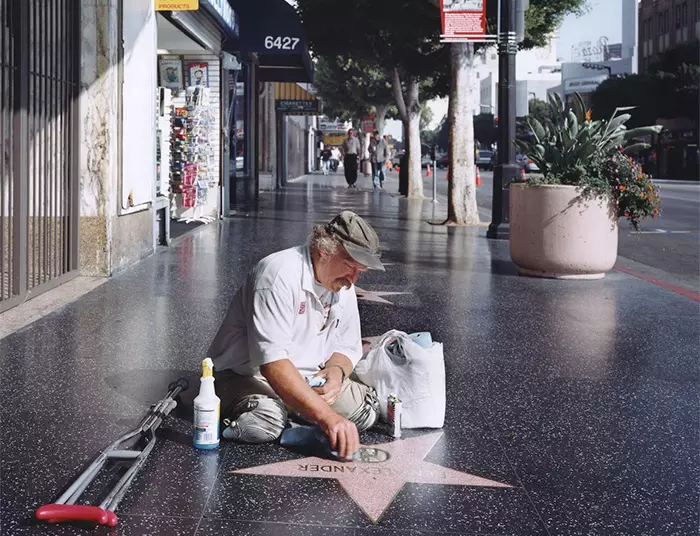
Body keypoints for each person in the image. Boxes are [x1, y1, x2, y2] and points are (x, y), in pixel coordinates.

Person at [207, 211, 384, 460]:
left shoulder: (343, 284)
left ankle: (299, 412)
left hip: (307, 377)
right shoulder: (277, 274)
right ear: (325, 251)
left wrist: (336, 371)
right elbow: (273, 363)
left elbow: (346, 345)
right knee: (265, 422)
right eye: (350, 265)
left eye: (360, 270)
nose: (353, 278)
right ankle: (292, 419)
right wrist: (327, 416)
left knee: (365, 412)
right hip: (247, 375)